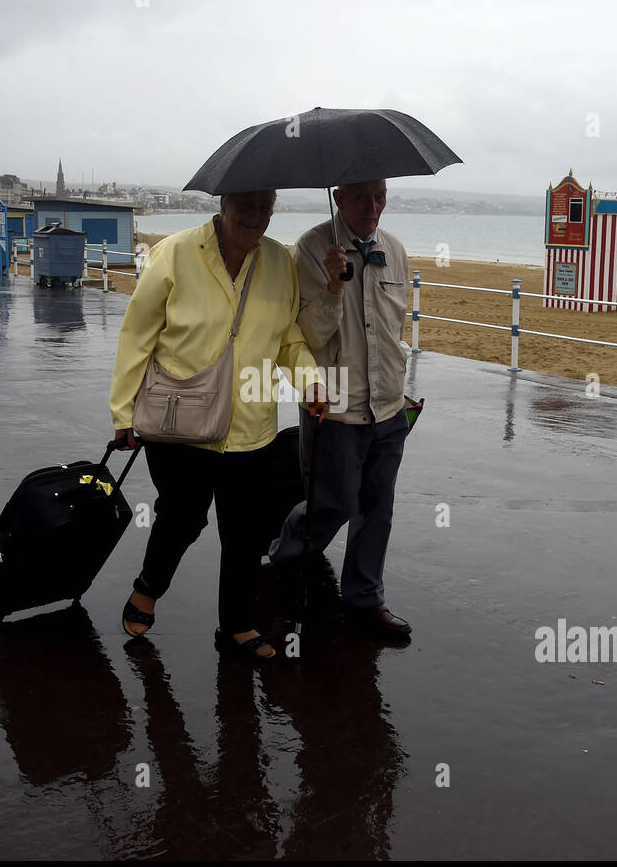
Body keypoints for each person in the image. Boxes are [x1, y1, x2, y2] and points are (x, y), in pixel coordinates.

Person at [109, 190, 327, 661]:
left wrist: (310, 382)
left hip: (252, 423)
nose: (256, 216)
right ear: (224, 202)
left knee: (246, 531)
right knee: (181, 518)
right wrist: (123, 413)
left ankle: (239, 626)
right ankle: (148, 585)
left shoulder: (280, 262)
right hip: (180, 420)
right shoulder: (175, 253)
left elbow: (289, 338)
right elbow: (137, 335)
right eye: (246, 204)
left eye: (265, 206)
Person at [266, 179, 413, 636]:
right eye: (362, 196)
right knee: (329, 505)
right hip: (335, 407)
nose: (373, 206)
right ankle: (281, 570)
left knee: (376, 506)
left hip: (388, 405)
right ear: (338, 198)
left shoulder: (395, 249)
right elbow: (306, 335)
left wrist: (400, 367)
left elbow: (394, 322)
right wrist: (332, 287)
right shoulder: (311, 248)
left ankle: (365, 599)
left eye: (380, 195)